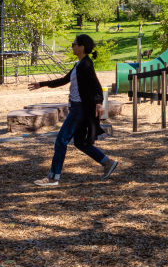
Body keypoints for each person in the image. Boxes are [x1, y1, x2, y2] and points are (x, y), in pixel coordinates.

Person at [28, 34, 118, 186]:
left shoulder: (86, 65)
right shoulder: (80, 64)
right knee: (81, 143)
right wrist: (41, 84)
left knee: (61, 140)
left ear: (82, 47)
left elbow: (96, 87)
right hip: (77, 108)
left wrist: (98, 104)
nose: (72, 46)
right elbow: (63, 80)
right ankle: (107, 163)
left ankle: (53, 177)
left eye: (74, 44)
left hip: (80, 109)